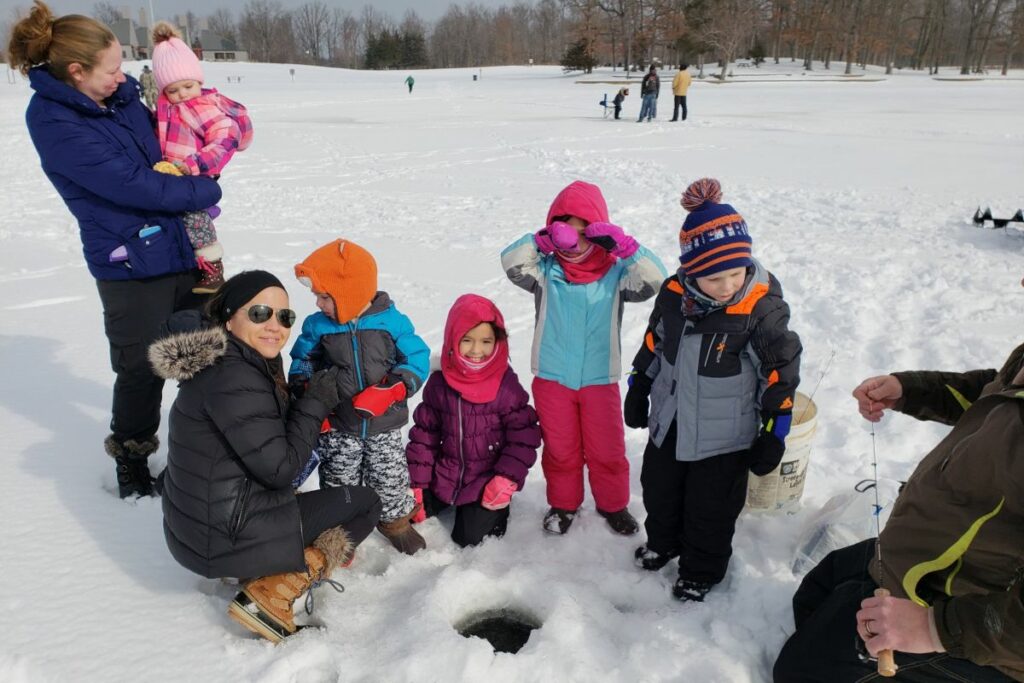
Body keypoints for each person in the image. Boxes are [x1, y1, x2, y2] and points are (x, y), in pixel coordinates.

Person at [7, 1, 222, 498]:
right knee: (142, 366)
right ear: (76, 72)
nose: (121, 76)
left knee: (206, 354)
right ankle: (132, 459)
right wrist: (204, 188)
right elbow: (132, 185)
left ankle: (205, 454)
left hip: (185, 245)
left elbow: (168, 142)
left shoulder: (121, 98)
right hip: (131, 264)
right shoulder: (53, 119)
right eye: (110, 69)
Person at [149, 270, 382, 644]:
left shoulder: (225, 361)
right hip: (222, 540)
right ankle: (272, 592)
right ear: (229, 318)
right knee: (366, 503)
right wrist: (315, 403)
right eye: (260, 314)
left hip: (195, 532)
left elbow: (257, 438)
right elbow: (280, 469)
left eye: (285, 317)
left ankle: (252, 567)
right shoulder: (234, 377)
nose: (275, 326)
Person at [773, 337, 1024, 681]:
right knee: (821, 589)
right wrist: (910, 390)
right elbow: (995, 392)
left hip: (977, 618)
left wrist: (934, 628)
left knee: (801, 672)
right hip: (922, 550)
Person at [624, 177, 802, 602]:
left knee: (711, 509)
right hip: (670, 422)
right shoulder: (672, 295)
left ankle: (701, 570)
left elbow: (779, 374)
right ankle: (663, 542)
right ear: (691, 271)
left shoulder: (759, 310)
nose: (727, 286)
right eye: (713, 278)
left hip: (724, 439)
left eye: (735, 274)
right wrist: (639, 383)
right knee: (659, 491)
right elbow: (654, 341)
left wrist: (773, 432)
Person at [501, 180, 667, 536]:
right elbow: (511, 262)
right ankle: (563, 505)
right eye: (565, 228)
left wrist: (626, 247)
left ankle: (613, 505)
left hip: (599, 379)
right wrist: (541, 241)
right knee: (561, 450)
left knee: (607, 450)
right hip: (552, 378)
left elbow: (655, 281)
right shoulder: (545, 271)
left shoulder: (617, 273)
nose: (575, 239)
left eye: (584, 229)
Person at [289, 239, 431, 555]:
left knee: (390, 479)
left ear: (349, 292)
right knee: (339, 484)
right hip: (338, 425)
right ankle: (340, 536)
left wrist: (393, 388)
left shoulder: (392, 322)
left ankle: (395, 524)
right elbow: (302, 362)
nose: (318, 304)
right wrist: (309, 399)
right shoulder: (317, 327)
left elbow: (417, 357)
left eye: (325, 296)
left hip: (384, 424)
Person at [406, 294, 542, 547]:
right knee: (410, 513)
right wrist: (417, 483)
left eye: (486, 341)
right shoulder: (440, 382)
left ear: (498, 343)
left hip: (486, 479)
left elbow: (524, 437)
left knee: (468, 538)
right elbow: (425, 435)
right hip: (446, 473)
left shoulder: (505, 385)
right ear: (452, 340)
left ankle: (497, 510)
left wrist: (505, 479)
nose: (476, 350)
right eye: (467, 340)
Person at [150, 21, 253, 294]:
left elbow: (225, 138)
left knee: (194, 217)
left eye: (188, 86)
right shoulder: (167, 108)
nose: (182, 94)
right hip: (175, 174)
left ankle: (213, 268)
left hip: (196, 174)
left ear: (199, 81)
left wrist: (192, 165)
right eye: (173, 90)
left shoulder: (203, 106)